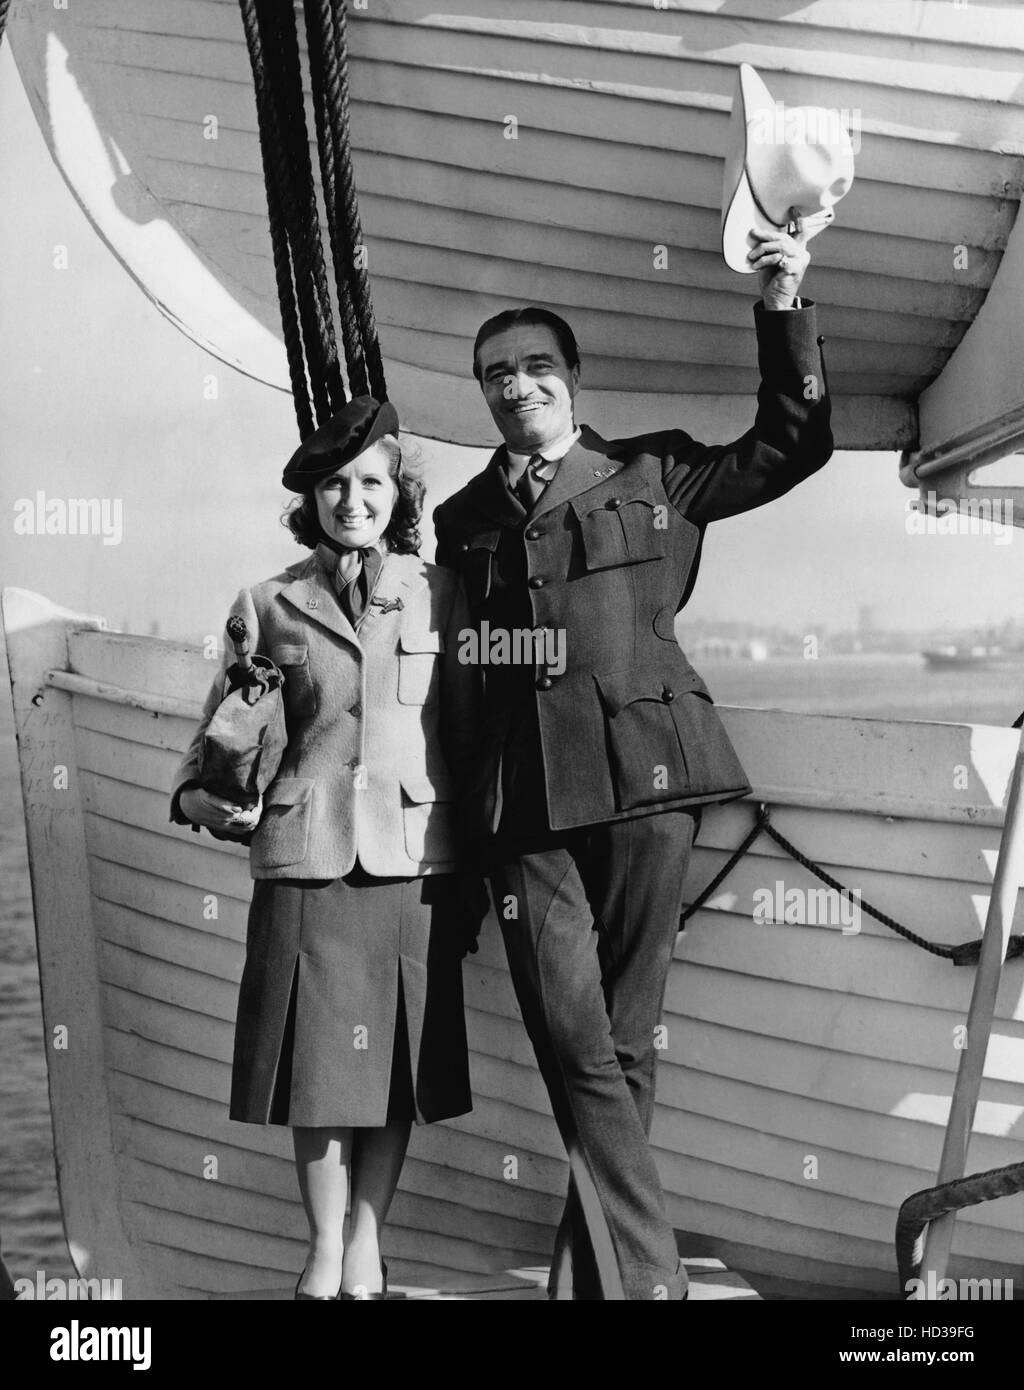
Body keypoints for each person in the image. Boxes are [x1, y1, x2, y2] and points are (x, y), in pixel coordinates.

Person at [433, 230, 834, 1300]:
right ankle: (651, 1282)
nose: (514, 386)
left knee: (623, 1036)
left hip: (651, 784)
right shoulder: (460, 520)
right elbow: (467, 675)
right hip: (521, 809)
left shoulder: (654, 471)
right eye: (494, 375)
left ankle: (592, 1281)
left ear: (571, 375)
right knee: (573, 1039)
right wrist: (453, 848)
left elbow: (791, 441)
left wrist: (783, 295)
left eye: (532, 366)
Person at [170, 397, 478, 1300]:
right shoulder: (266, 603)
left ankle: (369, 1247)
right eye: (335, 484)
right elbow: (213, 740)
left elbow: (468, 732)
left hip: (415, 860)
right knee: (318, 1072)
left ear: (399, 495)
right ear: (311, 498)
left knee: (394, 1070)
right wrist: (199, 799)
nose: (353, 499)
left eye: (372, 483)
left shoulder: (441, 593)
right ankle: (323, 1249)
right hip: (305, 856)